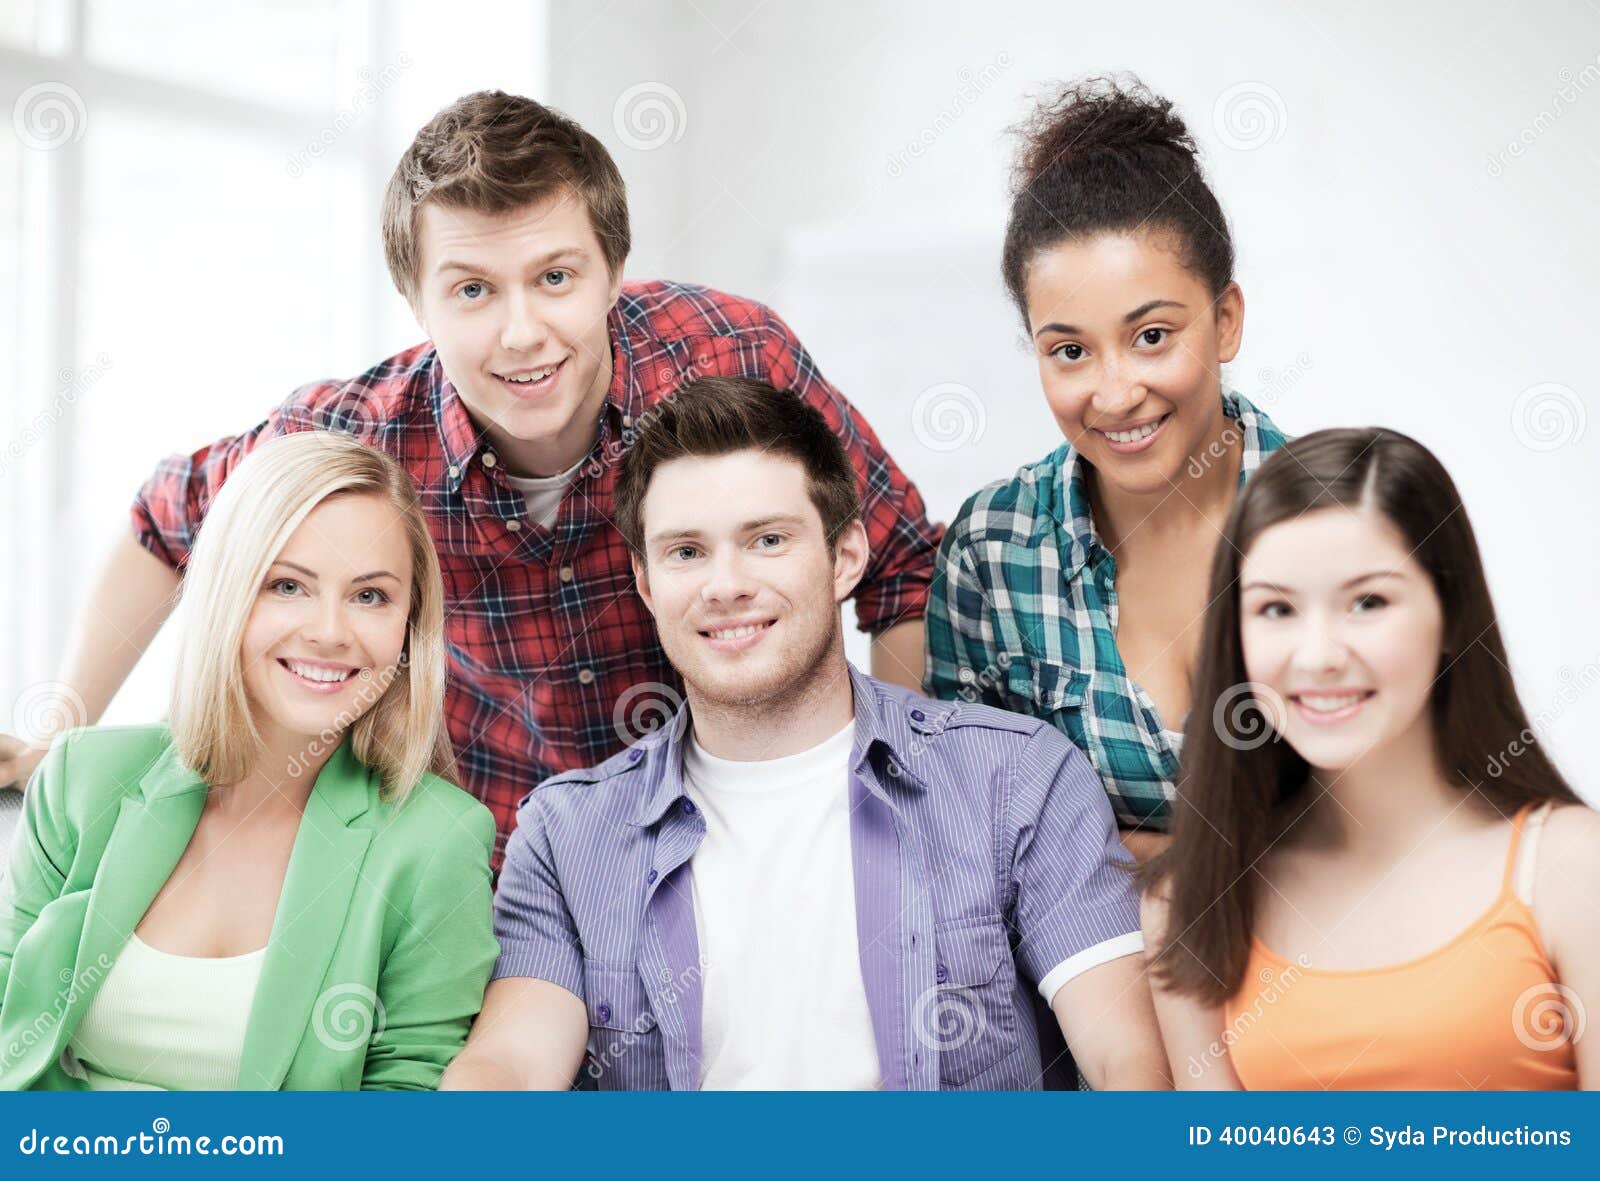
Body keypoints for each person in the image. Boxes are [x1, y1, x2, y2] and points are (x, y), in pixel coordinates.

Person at [0, 90, 941, 868]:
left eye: (556, 277)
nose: (522, 331)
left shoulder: (732, 353)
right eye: (472, 290)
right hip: (494, 878)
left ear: (614, 271)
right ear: (415, 302)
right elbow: (166, 520)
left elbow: (897, 562)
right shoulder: (352, 437)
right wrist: (61, 732)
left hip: (743, 846)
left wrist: (903, 790)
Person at [441, 377, 1169, 1091]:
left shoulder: (1017, 777)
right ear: (644, 580)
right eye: (686, 552)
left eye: (766, 539)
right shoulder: (567, 833)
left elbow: (1124, 1060)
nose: (725, 584)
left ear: (845, 556)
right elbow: (511, 1065)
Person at [0, 432, 498, 1091]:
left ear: (410, 623)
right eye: (288, 585)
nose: (329, 630)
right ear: (227, 593)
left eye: (370, 595)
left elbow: (402, 1108)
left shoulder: (438, 839)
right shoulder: (83, 779)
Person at [1142, 428, 1598, 1089]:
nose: (1319, 653)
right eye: (1276, 608)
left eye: (1368, 602)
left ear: (1450, 615)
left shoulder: (1571, 867)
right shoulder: (1188, 900)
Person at [926, 77, 1289, 863]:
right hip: (1094, 982)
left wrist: (1127, 861)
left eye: (1153, 335)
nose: (1117, 393)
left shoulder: (1342, 517)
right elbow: (974, 848)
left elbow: (1407, 832)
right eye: (1070, 351)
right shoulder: (992, 552)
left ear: (1225, 320)